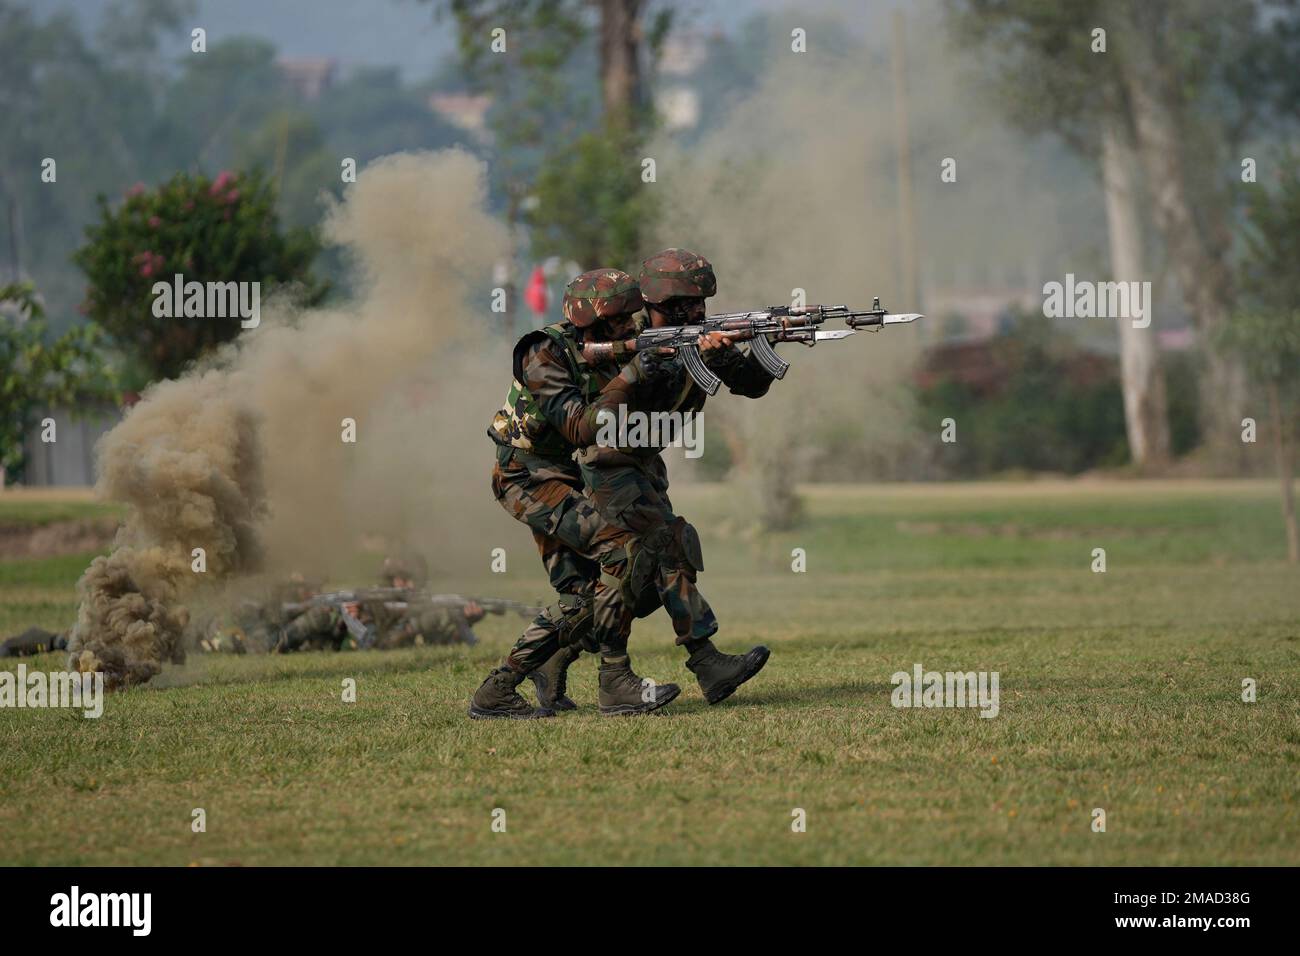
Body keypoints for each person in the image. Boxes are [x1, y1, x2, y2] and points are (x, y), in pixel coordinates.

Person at [469, 268, 680, 719]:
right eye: (622, 319)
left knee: (585, 594)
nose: (633, 325)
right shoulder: (543, 353)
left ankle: (502, 688)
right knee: (622, 551)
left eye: (635, 315)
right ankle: (615, 679)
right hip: (526, 478)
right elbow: (580, 426)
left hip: (573, 475)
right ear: (593, 322)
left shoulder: (624, 340)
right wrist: (634, 371)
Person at [577, 248, 772, 705]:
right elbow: (607, 409)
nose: (700, 310)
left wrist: (727, 354)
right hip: (609, 463)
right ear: (662, 302)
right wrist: (658, 362)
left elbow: (754, 385)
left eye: (703, 301)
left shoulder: (694, 339)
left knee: (650, 565)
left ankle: (555, 654)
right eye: (690, 302)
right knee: (658, 548)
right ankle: (703, 662)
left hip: (642, 464)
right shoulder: (636, 345)